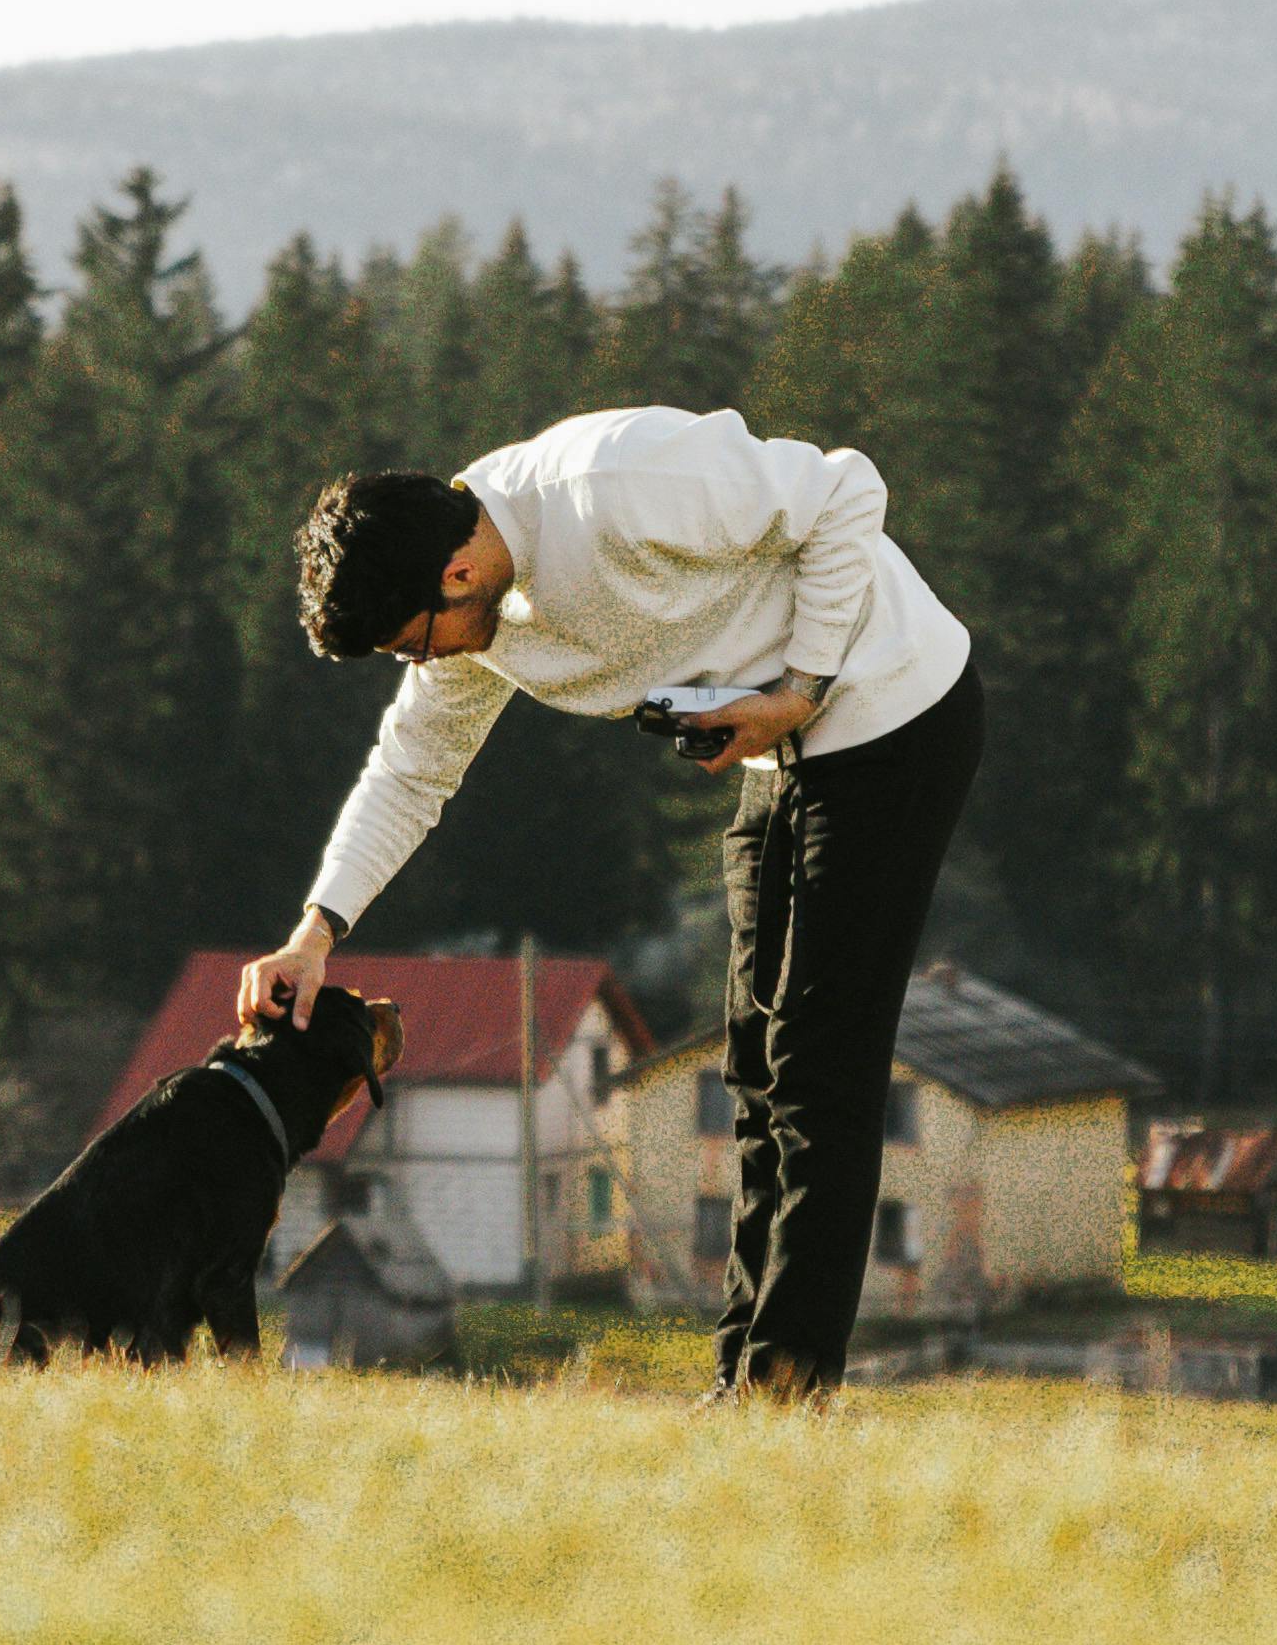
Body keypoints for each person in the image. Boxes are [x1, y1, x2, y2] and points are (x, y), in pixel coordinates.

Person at [237, 405, 981, 1398]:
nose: (426, 667)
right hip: (780, 747)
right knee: (757, 1069)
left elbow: (847, 487)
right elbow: (411, 772)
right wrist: (313, 934)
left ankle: (786, 1395)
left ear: (454, 575)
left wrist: (802, 685)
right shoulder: (467, 603)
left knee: (817, 1067)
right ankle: (743, 1385)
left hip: (893, 713)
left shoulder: (613, 483)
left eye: (415, 647)